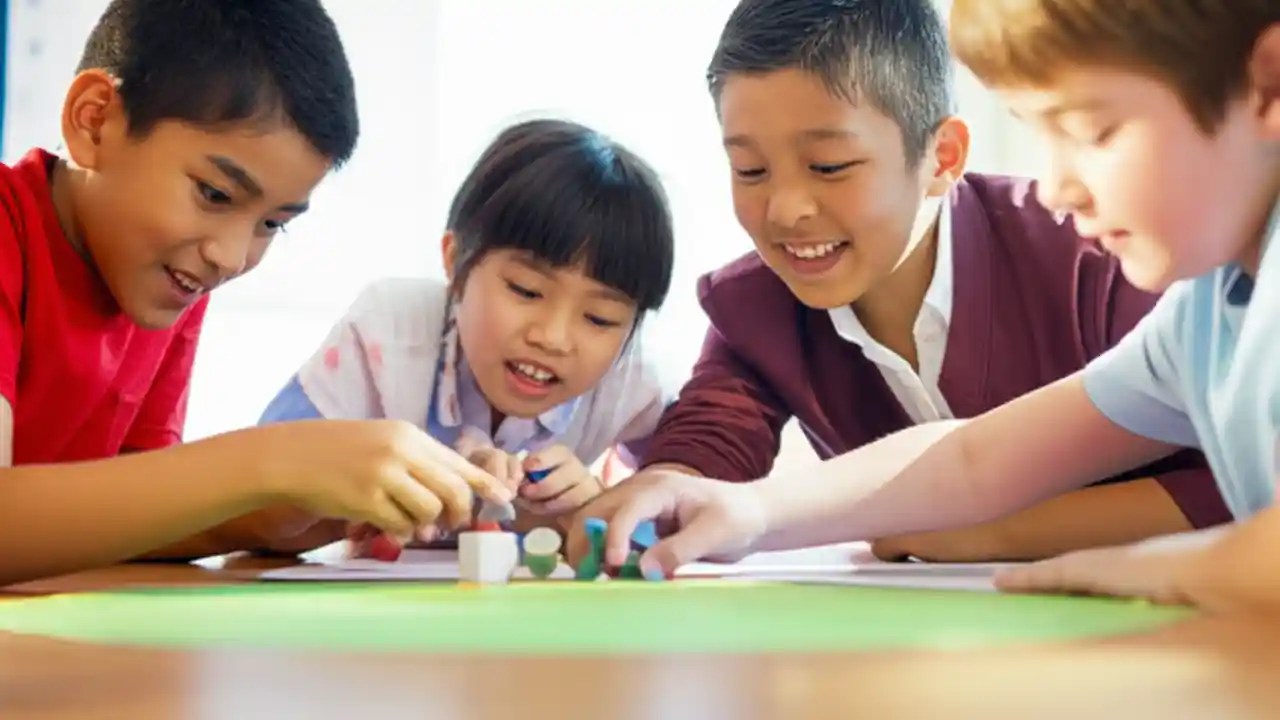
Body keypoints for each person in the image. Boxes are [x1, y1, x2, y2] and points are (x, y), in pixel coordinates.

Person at [570, 0, 1280, 613]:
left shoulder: (1114, 267)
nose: (1061, 187)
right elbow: (975, 458)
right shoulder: (1198, 319)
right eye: (750, 170)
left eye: (1093, 132)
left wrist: (1135, 568)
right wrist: (747, 507)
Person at [0, 0, 510, 585]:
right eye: (215, 194)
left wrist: (282, 513)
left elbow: (127, 518)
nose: (233, 256)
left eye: (272, 224)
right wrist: (273, 459)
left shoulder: (164, 273)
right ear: (94, 121)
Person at [259, 118, 675, 553]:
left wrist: (600, 510)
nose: (552, 338)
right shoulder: (388, 330)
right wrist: (370, 496)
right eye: (526, 291)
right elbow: (259, 489)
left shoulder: (635, 382)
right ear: (456, 262)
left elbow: (686, 526)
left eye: (600, 318)